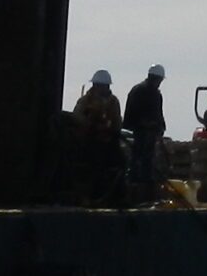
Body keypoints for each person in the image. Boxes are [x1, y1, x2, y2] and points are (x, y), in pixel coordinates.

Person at [71, 69, 122, 203]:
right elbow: (76, 117)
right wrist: (90, 125)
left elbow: (117, 121)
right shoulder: (85, 101)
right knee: (89, 170)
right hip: (89, 141)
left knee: (116, 166)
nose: (99, 88)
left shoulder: (113, 102)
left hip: (108, 142)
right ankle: (87, 197)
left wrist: (112, 131)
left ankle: (111, 196)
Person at [125, 64, 168, 188]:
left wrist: (160, 126)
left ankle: (146, 178)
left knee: (148, 155)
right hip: (139, 129)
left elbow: (158, 112)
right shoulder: (139, 91)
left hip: (150, 129)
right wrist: (145, 124)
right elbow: (133, 112)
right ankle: (137, 179)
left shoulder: (155, 93)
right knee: (140, 154)